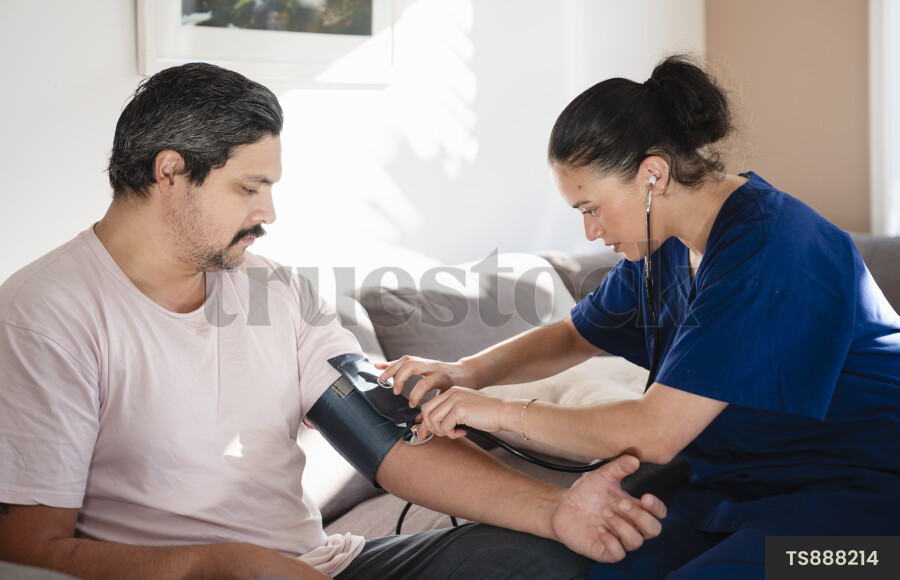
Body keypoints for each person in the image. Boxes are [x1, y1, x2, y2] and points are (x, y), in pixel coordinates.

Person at [0, 63, 668, 580]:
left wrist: (557, 511)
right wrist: (218, 564)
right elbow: (30, 546)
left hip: (325, 564)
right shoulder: (47, 315)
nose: (269, 212)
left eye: (272, 185)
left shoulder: (274, 289)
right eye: (249, 187)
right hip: (194, 575)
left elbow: (386, 437)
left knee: (542, 560)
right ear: (170, 172)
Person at [379, 54, 900, 578]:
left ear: (653, 174)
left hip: (860, 507)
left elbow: (656, 432)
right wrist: (464, 372)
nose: (590, 232)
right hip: (739, 491)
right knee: (608, 568)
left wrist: (492, 410)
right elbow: (574, 335)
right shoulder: (663, 250)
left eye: (591, 208)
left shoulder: (770, 251)